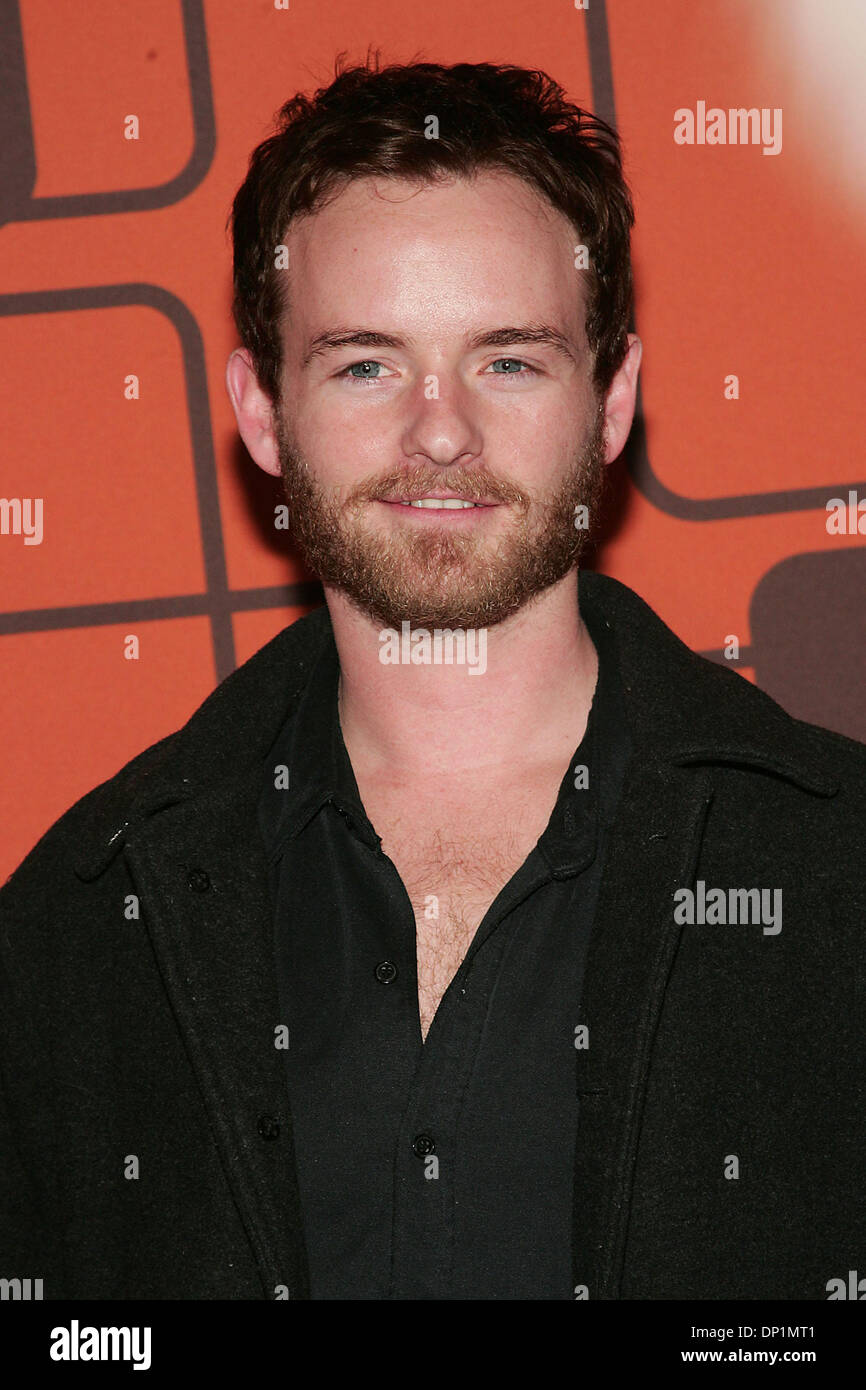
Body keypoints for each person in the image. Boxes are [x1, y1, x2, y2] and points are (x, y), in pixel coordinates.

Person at [1, 56, 864, 1302]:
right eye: (364, 364)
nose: (440, 430)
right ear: (261, 413)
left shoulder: (836, 878)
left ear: (611, 403)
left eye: (507, 361)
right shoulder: (79, 929)